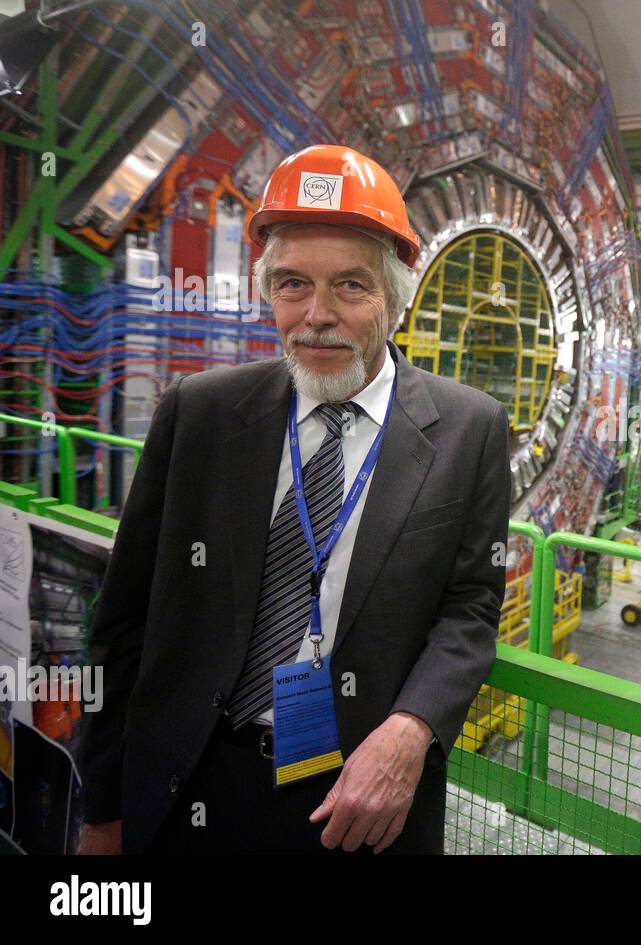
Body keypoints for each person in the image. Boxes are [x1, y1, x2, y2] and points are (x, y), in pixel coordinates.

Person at [75, 144, 509, 854]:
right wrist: (103, 805)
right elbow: (121, 619)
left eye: (351, 286)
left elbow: (470, 608)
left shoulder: (469, 431)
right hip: (189, 781)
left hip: (355, 802)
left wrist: (412, 727)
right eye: (291, 284)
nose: (317, 315)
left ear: (396, 298)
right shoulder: (199, 414)